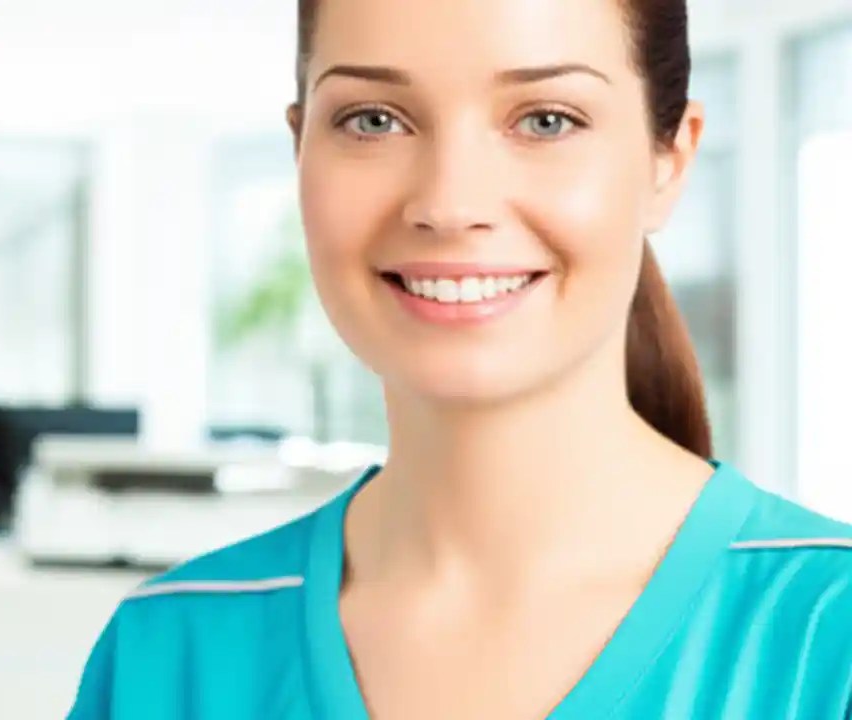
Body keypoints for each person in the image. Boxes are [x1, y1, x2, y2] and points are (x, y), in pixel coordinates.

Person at [70, 0, 852, 717]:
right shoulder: (168, 654)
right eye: (374, 120)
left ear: (669, 161)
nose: (448, 203)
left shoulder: (828, 629)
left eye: (546, 120)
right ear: (300, 149)